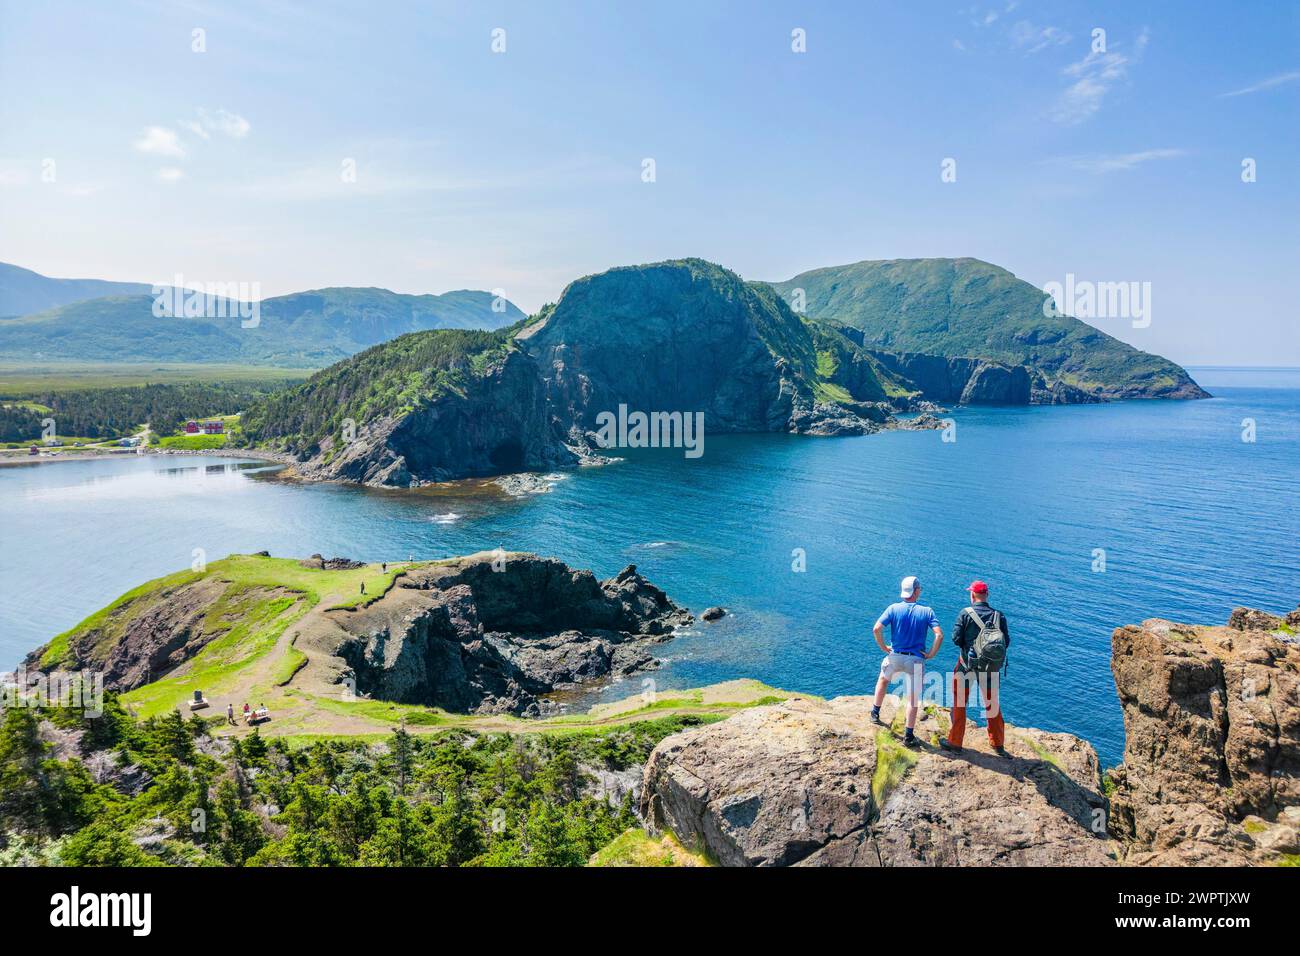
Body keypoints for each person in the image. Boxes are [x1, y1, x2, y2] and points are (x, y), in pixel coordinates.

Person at [871, 575, 944, 748]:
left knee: (883, 681)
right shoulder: (927, 611)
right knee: (913, 699)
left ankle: (874, 713)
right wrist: (931, 654)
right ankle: (908, 736)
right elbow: (939, 635)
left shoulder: (893, 608)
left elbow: (876, 629)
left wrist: (884, 648)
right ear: (916, 591)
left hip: (895, 655)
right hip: (916, 659)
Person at [940, 580, 1011, 757]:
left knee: (959, 702)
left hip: (966, 666)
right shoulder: (998, 616)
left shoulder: (965, 613)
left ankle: (955, 743)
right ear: (987, 595)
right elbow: (1006, 642)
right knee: (992, 704)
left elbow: (956, 639)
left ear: (972, 595)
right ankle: (998, 744)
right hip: (990, 668)